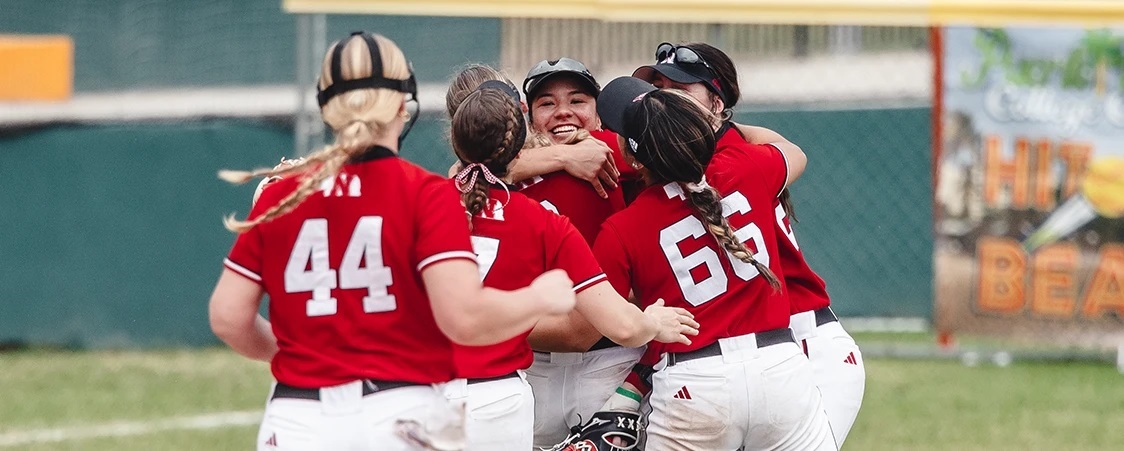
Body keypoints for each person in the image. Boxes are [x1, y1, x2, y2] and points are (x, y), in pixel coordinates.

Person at [208, 32, 576, 451]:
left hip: (298, 416)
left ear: (328, 109)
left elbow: (228, 317)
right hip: (400, 409)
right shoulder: (427, 194)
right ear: (405, 106)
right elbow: (464, 319)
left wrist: (298, 354)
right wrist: (539, 297)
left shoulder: (281, 194)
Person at [443, 77, 699, 449]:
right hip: (499, 397)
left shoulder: (419, 205)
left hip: (419, 393)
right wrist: (652, 321)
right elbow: (624, 328)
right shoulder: (540, 221)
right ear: (522, 142)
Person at [635, 41, 866, 448]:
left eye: (681, 90)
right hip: (754, 351)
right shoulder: (711, 154)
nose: (666, 99)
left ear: (717, 104)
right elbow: (793, 151)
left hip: (804, 338)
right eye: (660, 89)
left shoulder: (728, 159)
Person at [592, 77, 835, 450]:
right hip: (779, 369)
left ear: (634, 157)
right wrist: (714, 122)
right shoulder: (747, 166)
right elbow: (793, 152)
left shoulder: (622, 227)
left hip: (695, 382)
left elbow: (600, 321)